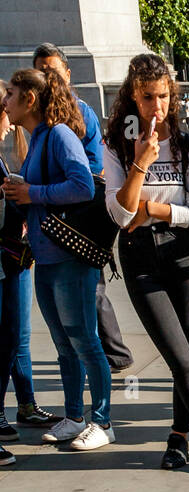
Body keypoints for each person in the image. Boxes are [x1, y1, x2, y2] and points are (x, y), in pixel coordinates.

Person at [103, 53, 189, 480]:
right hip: (141, 260)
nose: (156, 107)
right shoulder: (115, 146)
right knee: (179, 359)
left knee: (187, 357)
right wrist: (141, 161)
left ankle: (178, 437)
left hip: (183, 256)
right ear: (133, 98)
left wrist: (157, 210)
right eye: (147, 98)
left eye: (163, 97)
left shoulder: (187, 146)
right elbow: (122, 216)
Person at [2, 69, 114, 451]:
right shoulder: (37, 138)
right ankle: (74, 416)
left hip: (70, 257)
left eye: (11, 94)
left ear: (30, 99)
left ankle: (103, 420)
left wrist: (32, 192)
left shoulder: (59, 134)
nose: (5, 101)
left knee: (84, 338)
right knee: (64, 342)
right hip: (47, 257)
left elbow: (83, 185)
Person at [32, 42, 133, 374]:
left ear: (67, 73)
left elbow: (91, 172)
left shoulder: (78, 113)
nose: (47, 77)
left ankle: (113, 355)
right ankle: (106, 353)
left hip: (81, 215)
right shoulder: (40, 121)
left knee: (93, 287)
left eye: (52, 71)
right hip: (56, 218)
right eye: (41, 71)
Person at [0, 81, 58, 463]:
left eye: (9, 97)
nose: (7, 105)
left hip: (11, 258)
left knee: (15, 336)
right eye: (3, 100)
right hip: (7, 257)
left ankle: (25, 404)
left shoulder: (27, 143)